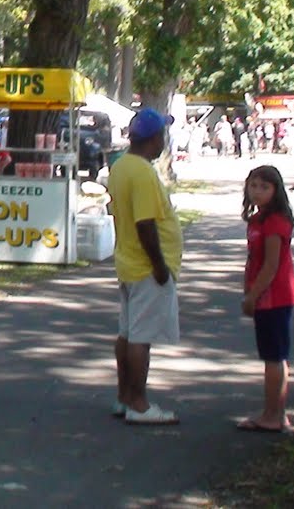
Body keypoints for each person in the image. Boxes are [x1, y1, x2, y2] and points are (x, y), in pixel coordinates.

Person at [109, 108, 184, 426]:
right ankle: (139, 403)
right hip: (146, 267)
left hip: (129, 261)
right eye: (162, 136)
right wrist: (160, 265)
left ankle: (125, 396)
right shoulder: (142, 172)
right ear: (154, 138)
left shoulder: (121, 166)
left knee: (128, 333)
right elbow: (145, 223)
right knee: (141, 336)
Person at [238, 165, 294, 433]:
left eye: (264, 187)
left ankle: (274, 414)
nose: (257, 192)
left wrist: (254, 295)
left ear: (276, 190)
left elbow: (272, 265)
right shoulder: (257, 219)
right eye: (253, 186)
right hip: (263, 293)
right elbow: (253, 259)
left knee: (274, 356)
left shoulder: (275, 221)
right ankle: (274, 411)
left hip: (274, 295)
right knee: (273, 355)